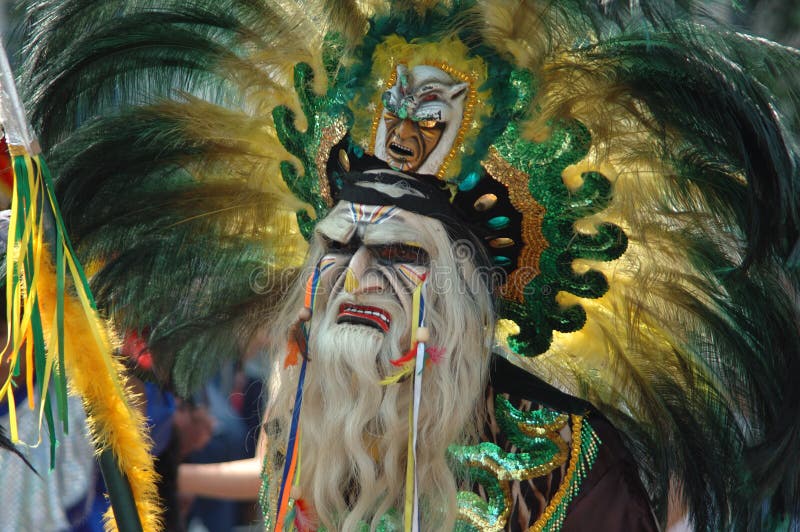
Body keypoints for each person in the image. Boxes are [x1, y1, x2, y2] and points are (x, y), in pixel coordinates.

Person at [13, 1, 800, 530]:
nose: (358, 274)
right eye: (341, 247)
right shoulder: (305, 437)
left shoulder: (562, 466)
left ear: (463, 293)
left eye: (398, 253)